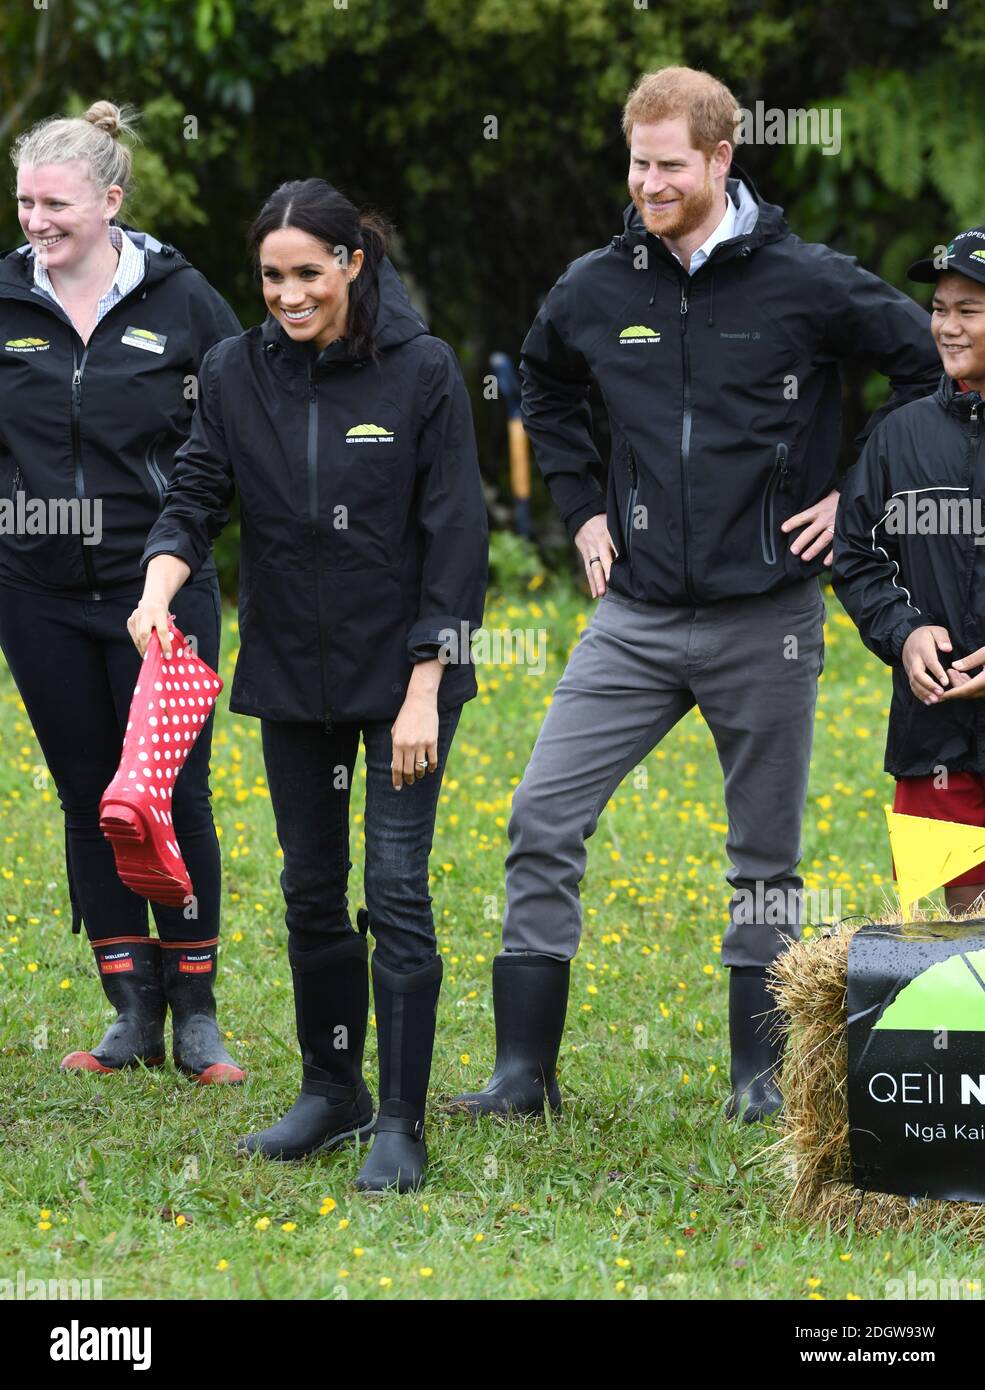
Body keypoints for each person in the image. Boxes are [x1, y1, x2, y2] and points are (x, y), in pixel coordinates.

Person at [450, 65, 941, 1124]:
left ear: (722, 158)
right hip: (631, 621)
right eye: (637, 163)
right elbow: (541, 382)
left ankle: (758, 1080)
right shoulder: (596, 284)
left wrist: (855, 495)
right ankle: (521, 1075)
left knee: (763, 860)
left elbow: (925, 371)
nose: (650, 183)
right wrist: (580, 509)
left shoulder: (807, 282)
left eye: (670, 165)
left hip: (766, 619)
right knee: (540, 816)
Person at [131, 178, 488, 1191]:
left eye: (307, 274)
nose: (288, 296)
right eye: (271, 277)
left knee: (396, 889)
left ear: (352, 264)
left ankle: (403, 1123)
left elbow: (456, 535)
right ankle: (334, 1090)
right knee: (307, 889)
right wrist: (158, 587)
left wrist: (426, 685)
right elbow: (196, 490)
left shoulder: (421, 371)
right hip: (292, 671)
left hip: (405, 675)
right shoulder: (237, 371)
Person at [0, 101, 244, 1082]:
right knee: (87, 796)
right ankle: (131, 1008)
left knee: (172, 794)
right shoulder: (6, 303)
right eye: (22, 202)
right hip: (36, 593)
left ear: (110, 199)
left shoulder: (185, 304)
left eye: (54, 204)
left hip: (162, 593)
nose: (35, 222)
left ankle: (197, 1011)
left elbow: (236, 433)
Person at [834, 225, 985, 914]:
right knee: (946, 958)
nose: (946, 327)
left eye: (967, 310)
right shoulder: (900, 434)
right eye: (938, 309)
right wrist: (904, 633)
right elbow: (856, 556)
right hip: (931, 740)